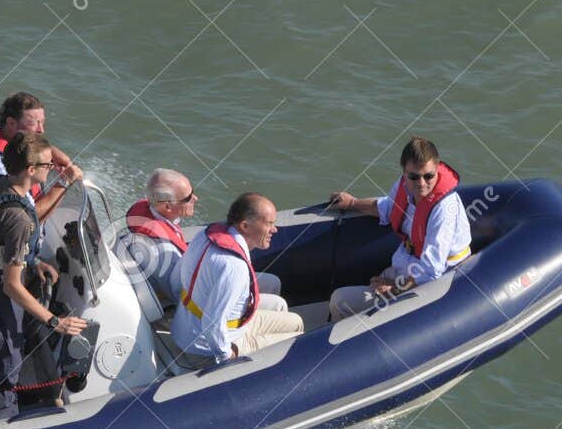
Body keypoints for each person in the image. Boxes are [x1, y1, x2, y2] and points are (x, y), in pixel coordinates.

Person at [0, 132, 88, 422]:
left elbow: (13, 233)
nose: (51, 168)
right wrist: (56, 321)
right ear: (31, 170)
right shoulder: (17, 218)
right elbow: (11, 284)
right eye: (47, 165)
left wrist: (31, 263)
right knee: (3, 377)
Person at [326, 136, 471, 321]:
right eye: (414, 176)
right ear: (404, 173)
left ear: (437, 169)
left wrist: (394, 288)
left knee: (340, 301)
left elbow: (431, 270)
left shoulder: (443, 208)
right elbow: (386, 208)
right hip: (406, 266)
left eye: (428, 176)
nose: (422, 183)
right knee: (361, 289)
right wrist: (353, 202)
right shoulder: (404, 187)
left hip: (434, 281)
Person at [170, 192, 302, 368]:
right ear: (245, 226)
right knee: (298, 338)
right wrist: (227, 355)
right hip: (205, 350)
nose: (274, 229)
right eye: (269, 224)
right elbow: (212, 325)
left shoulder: (203, 236)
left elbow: (175, 280)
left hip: (184, 330)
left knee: (297, 322)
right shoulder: (233, 267)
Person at [124, 169, 286, 303]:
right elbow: (178, 294)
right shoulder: (163, 251)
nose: (195, 198)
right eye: (188, 198)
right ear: (167, 206)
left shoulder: (155, 212)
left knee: (272, 282)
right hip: (195, 301)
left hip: (198, 277)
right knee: (277, 301)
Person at [0, 91, 81, 220]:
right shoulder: (0, 170)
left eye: (42, 122)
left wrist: (51, 150)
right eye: (34, 123)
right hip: (12, 232)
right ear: (11, 123)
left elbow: (25, 141)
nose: (41, 130)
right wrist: (64, 183)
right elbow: (27, 218)